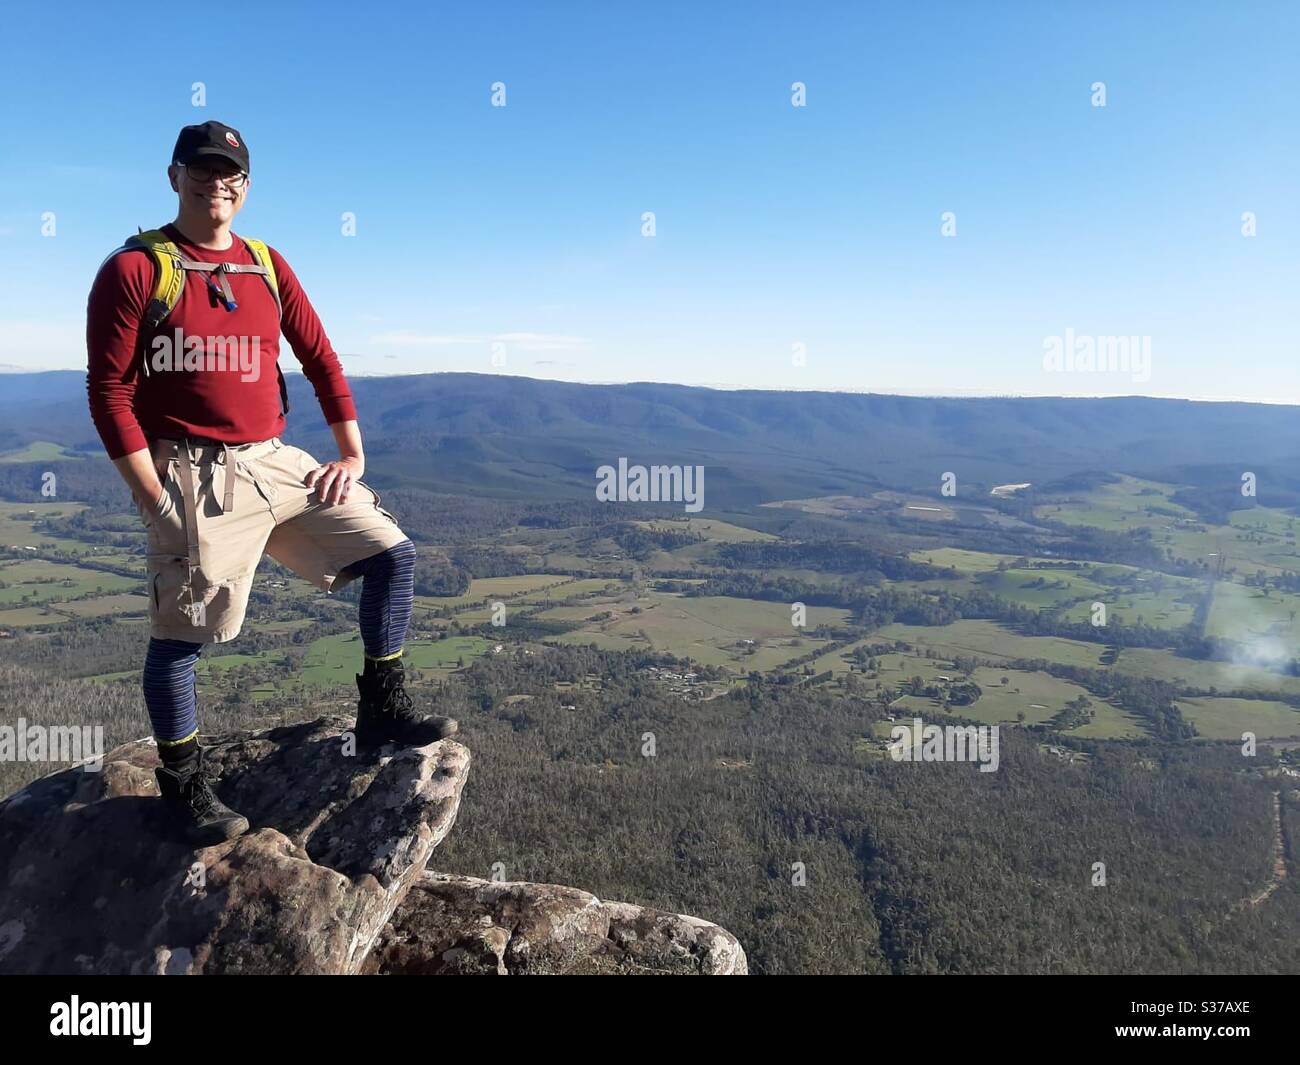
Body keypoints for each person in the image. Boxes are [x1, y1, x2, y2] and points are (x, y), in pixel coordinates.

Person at [85, 120, 456, 846]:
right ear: (173, 176)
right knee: (186, 633)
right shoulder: (136, 269)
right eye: (202, 169)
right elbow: (109, 392)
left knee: (392, 554)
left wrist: (351, 454)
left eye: (230, 174)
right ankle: (183, 785)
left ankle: (380, 706)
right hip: (195, 472)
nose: (216, 183)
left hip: (276, 460)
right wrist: (151, 495)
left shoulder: (264, 264)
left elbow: (319, 356)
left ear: (246, 188)